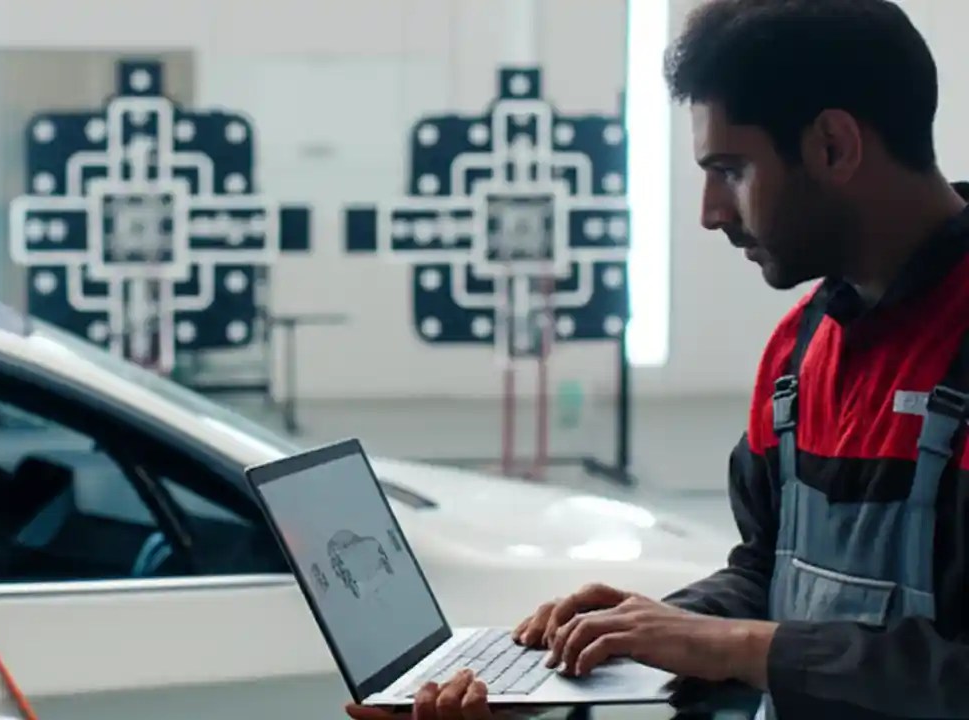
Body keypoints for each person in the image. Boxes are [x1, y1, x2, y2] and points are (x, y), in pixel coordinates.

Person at [349, 0, 969, 717]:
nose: (710, 211)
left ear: (833, 145)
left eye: (731, 170)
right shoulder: (800, 354)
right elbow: (768, 570)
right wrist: (632, 635)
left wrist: (732, 646)